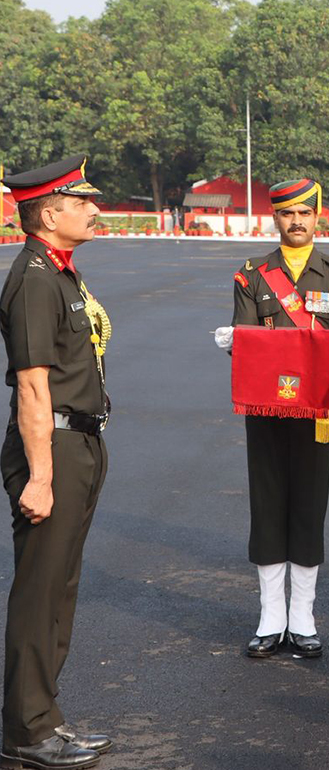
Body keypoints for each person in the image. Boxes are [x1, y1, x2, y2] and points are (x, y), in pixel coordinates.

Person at [213, 178, 329, 659]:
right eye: (286, 214)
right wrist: (233, 343)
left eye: (304, 213)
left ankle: (302, 615)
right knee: (267, 506)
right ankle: (269, 616)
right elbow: (248, 340)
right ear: (274, 218)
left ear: (318, 216)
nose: (296, 222)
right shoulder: (251, 275)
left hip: (316, 408)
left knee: (308, 505)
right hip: (265, 409)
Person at [0, 156, 113, 769]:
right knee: (40, 592)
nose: (96, 210)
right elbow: (33, 386)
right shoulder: (35, 279)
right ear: (49, 213)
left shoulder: (62, 273)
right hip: (54, 449)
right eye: (83, 202)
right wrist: (41, 477)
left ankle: (45, 716)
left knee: (60, 589)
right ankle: (24, 731)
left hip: (81, 444)